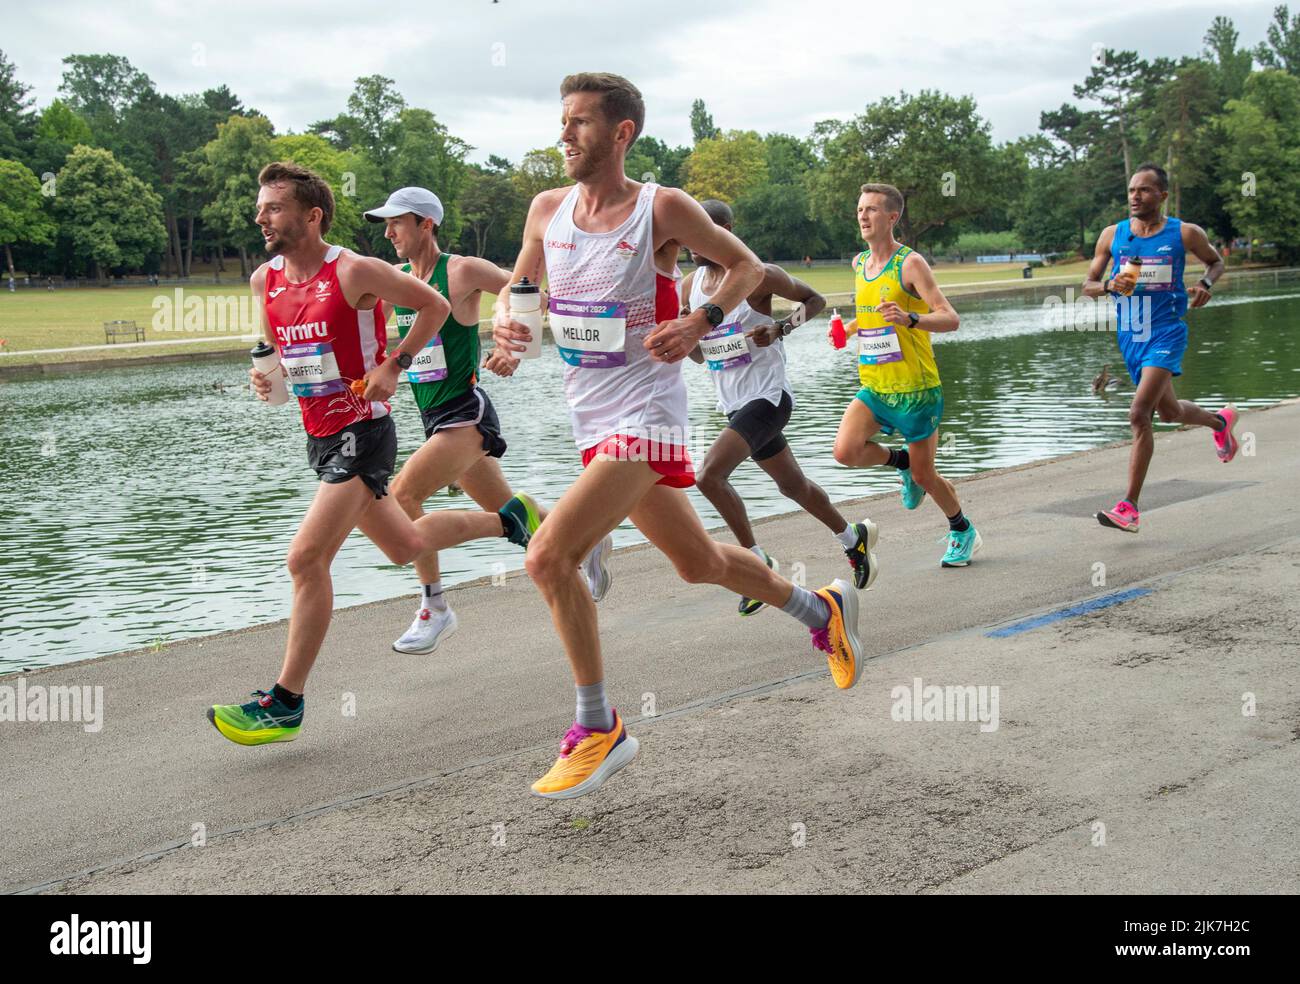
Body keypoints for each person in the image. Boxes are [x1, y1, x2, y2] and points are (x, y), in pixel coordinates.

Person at [493, 73, 866, 799]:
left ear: (621, 132)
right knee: (696, 563)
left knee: (546, 556)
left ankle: (597, 726)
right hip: (590, 416)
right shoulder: (547, 210)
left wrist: (703, 321)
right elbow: (521, 288)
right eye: (561, 122)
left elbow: (746, 266)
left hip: (648, 417)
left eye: (578, 124)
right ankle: (822, 609)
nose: (564, 136)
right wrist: (510, 327)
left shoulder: (660, 208)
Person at [207, 162, 540, 746]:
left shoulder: (356, 269)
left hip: (363, 430)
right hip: (318, 433)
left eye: (273, 207)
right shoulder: (265, 279)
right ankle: (510, 520)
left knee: (305, 560)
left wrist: (395, 363)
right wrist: (268, 379)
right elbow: (281, 353)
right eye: (260, 207)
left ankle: (285, 702)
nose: (260, 216)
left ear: (311, 216)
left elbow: (434, 307)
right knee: (403, 545)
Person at [364, 187, 611, 653]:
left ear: (426, 224)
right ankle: (588, 535)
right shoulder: (397, 280)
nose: (390, 231)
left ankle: (435, 606)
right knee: (518, 521)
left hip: (464, 415)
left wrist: (507, 345)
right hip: (433, 418)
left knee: (402, 496)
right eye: (386, 223)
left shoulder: (460, 270)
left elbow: (527, 293)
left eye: (398, 221)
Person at [684, 198, 878, 615]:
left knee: (708, 476)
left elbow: (815, 300)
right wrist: (683, 342)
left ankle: (756, 565)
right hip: (733, 403)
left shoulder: (759, 274)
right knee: (792, 486)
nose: (691, 243)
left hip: (768, 397)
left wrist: (782, 328)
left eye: (701, 231)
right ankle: (852, 537)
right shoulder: (691, 285)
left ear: (726, 230)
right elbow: (699, 356)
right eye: (688, 233)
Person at [1082, 163, 1238, 533]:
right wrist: (1108, 286)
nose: (1136, 196)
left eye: (1145, 190)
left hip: (1166, 332)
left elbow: (1215, 262)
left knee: (1139, 413)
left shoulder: (1184, 233)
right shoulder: (1113, 235)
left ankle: (1129, 508)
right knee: (1167, 413)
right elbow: (1088, 284)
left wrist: (1204, 284)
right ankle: (1220, 422)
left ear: (1162, 195)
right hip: (1130, 335)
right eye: (1132, 191)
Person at [831, 183, 979, 567]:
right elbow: (871, 315)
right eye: (860, 209)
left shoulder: (910, 264)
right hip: (876, 386)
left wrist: (911, 318)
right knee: (845, 451)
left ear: (892, 217)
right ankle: (902, 465)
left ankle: (962, 530)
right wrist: (847, 331)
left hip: (917, 390)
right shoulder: (859, 264)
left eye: (872, 210)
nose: (863, 216)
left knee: (927, 476)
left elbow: (950, 318)